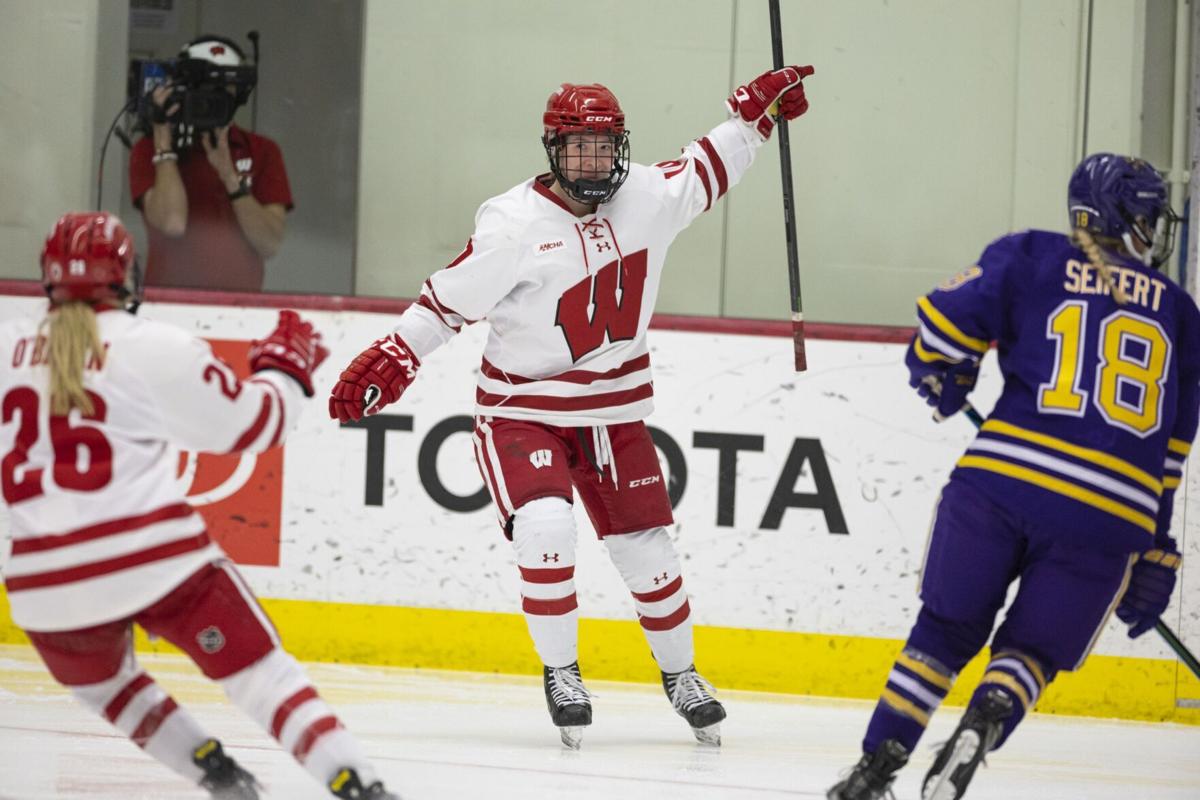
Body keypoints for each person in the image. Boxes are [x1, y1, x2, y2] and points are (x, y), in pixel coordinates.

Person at [328, 67, 815, 748]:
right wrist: (396, 354)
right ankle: (562, 672)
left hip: (613, 415)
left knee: (650, 551)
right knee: (547, 524)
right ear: (553, 149)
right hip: (521, 409)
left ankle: (681, 676)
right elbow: (446, 303)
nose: (593, 160)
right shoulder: (512, 224)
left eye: (604, 144)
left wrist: (756, 118)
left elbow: (709, 166)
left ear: (619, 145)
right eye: (578, 146)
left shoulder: (646, 194)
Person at [827, 153, 1199, 800]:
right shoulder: (1183, 313)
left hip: (1003, 481)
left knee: (942, 635)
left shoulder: (1031, 256)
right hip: (1112, 515)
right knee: (1031, 652)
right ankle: (993, 705)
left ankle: (876, 766)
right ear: (1124, 217)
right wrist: (1158, 549)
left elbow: (941, 326)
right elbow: (1171, 451)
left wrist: (944, 373)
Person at [0, 212, 400, 799]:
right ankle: (360, 786)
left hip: (42, 585)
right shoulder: (150, 345)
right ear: (126, 275)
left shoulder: (6, 342)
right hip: (156, 562)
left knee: (105, 686)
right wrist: (285, 370)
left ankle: (214, 773)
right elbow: (255, 426)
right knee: (262, 679)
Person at [129, 35, 292, 292]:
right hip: (167, 308)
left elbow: (269, 244)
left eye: (222, 91)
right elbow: (172, 222)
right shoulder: (148, 149)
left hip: (241, 309)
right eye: (203, 91)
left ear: (237, 95)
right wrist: (163, 144)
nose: (211, 100)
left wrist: (229, 175)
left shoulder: (263, 151)